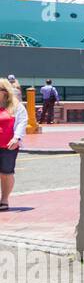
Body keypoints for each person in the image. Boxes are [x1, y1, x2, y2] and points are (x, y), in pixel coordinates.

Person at [0, 78, 28, 211]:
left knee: (6, 173)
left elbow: (22, 122)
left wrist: (17, 138)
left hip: (8, 145)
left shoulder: (16, 107)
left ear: (4, 92)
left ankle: (4, 199)